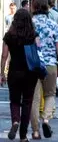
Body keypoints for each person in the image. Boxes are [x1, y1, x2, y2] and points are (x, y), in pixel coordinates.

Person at [1, 9, 40, 141]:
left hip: (14, 72)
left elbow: (4, 56)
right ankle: (23, 136)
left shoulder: (9, 35)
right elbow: (38, 50)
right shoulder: (33, 35)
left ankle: (15, 122)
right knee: (27, 103)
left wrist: (2, 73)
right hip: (30, 73)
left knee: (15, 101)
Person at [30, 0, 58, 140]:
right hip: (50, 64)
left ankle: (36, 131)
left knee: (34, 99)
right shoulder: (53, 25)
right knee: (50, 95)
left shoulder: (29, 24)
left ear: (33, 7)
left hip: (33, 65)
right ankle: (45, 120)